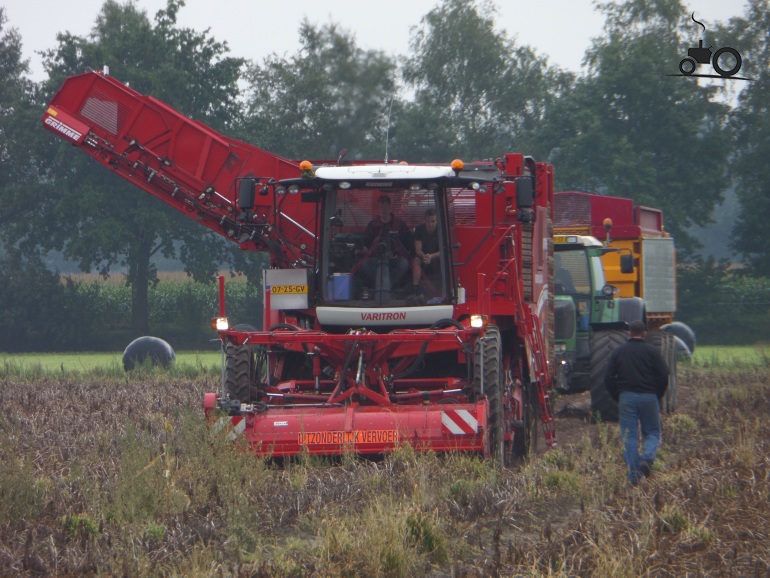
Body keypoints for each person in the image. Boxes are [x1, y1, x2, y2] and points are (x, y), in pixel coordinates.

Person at [604, 319, 670, 485]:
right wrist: (658, 395)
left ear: (629, 333)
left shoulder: (619, 351)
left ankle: (634, 477)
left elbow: (608, 377)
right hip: (649, 397)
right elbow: (663, 375)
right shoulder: (652, 351)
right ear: (645, 334)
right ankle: (647, 459)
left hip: (627, 397)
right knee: (653, 433)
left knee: (629, 436)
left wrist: (617, 396)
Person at [360, 195, 411, 298]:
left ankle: (382, 288)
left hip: (394, 261)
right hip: (376, 260)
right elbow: (365, 243)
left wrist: (397, 253)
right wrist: (365, 249)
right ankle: (387, 289)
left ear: (390, 207)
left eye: (385, 207)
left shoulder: (399, 224)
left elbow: (408, 243)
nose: (383, 210)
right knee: (364, 264)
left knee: (404, 263)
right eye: (381, 207)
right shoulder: (372, 225)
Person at [411, 207, 441, 296]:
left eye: (433, 221)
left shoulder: (441, 230)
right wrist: (425, 256)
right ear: (425, 220)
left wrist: (431, 256)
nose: (430, 224)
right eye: (428, 221)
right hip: (422, 255)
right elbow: (418, 250)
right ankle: (415, 288)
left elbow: (443, 250)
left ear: (436, 220)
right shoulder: (419, 229)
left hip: (437, 255)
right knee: (416, 261)